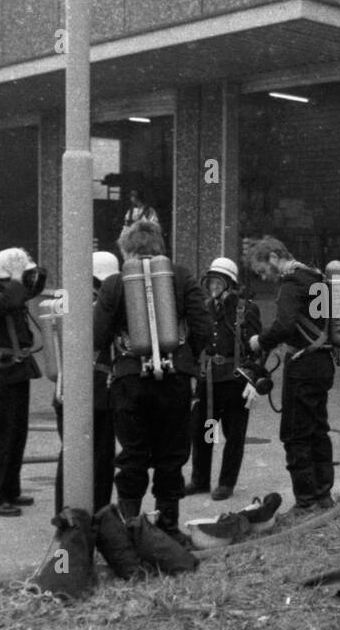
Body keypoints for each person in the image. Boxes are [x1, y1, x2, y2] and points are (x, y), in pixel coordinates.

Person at [94, 220, 211, 546]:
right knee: (170, 455)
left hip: (129, 380)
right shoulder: (182, 276)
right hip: (175, 380)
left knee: (132, 455)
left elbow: (98, 335)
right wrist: (189, 359)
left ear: (126, 250)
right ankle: (168, 528)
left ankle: (129, 529)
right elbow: (203, 327)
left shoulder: (115, 284)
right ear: (160, 245)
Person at [245, 236, 337, 513]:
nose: (265, 277)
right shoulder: (316, 277)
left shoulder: (290, 284)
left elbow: (284, 325)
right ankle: (324, 495)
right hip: (324, 362)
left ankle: (305, 501)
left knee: (295, 434)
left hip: (302, 364)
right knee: (319, 429)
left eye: (263, 270)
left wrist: (260, 341)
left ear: (274, 257)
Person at [0, 247, 46, 516]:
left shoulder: (13, 291)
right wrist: (16, 276)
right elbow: (4, 305)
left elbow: (35, 285)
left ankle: (9, 490)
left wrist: (24, 273)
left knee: (16, 435)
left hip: (15, 372)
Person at [186, 256, 263, 501]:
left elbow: (257, 349)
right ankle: (200, 480)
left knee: (234, 434)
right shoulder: (204, 308)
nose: (213, 286)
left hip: (235, 381)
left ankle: (226, 483)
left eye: (218, 281)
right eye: (211, 281)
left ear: (230, 283)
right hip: (208, 382)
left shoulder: (245, 309)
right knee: (205, 431)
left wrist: (252, 379)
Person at [54, 251, 120, 515]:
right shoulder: (93, 305)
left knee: (86, 455)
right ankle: (86, 515)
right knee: (92, 456)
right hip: (92, 389)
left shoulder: (72, 300)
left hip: (83, 388)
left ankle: (79, 515)